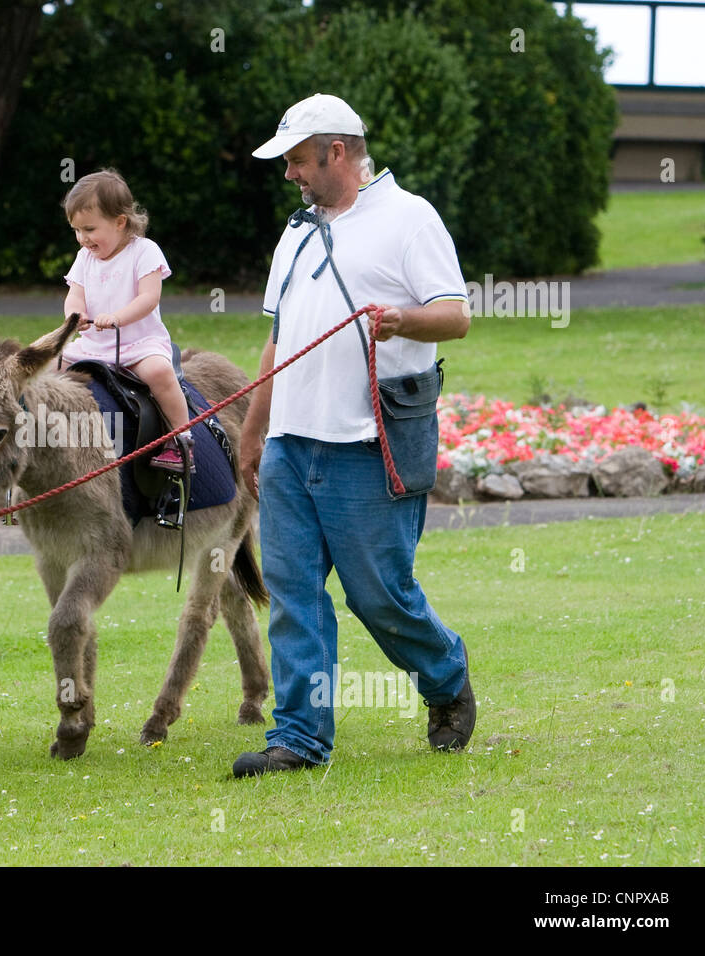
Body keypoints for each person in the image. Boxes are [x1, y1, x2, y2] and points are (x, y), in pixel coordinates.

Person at [233, 93, 476, 776]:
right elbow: (278, 339)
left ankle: (446, 676)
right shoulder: (296, 231)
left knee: (379, 596)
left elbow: (454, 316)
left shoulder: (409, 218)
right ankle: (300, 740)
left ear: (337, 152)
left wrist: (402, 320)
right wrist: (254, 434)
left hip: (371, 448)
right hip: (290, 447)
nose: (289, 174)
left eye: (298, 160)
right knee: (293, 596)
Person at [60, 170, 192, 472]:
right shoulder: (85, 257)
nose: (83, 239)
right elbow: (74, 294)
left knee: (159, 372)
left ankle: (180, 438)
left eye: (90, 229)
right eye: (77, 230)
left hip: (138, 343)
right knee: (49, 367)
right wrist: (74, 315)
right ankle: (41, 438)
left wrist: (118, 317)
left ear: (120, 222)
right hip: (94, 344)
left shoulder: (143, 251)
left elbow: (149, 297)